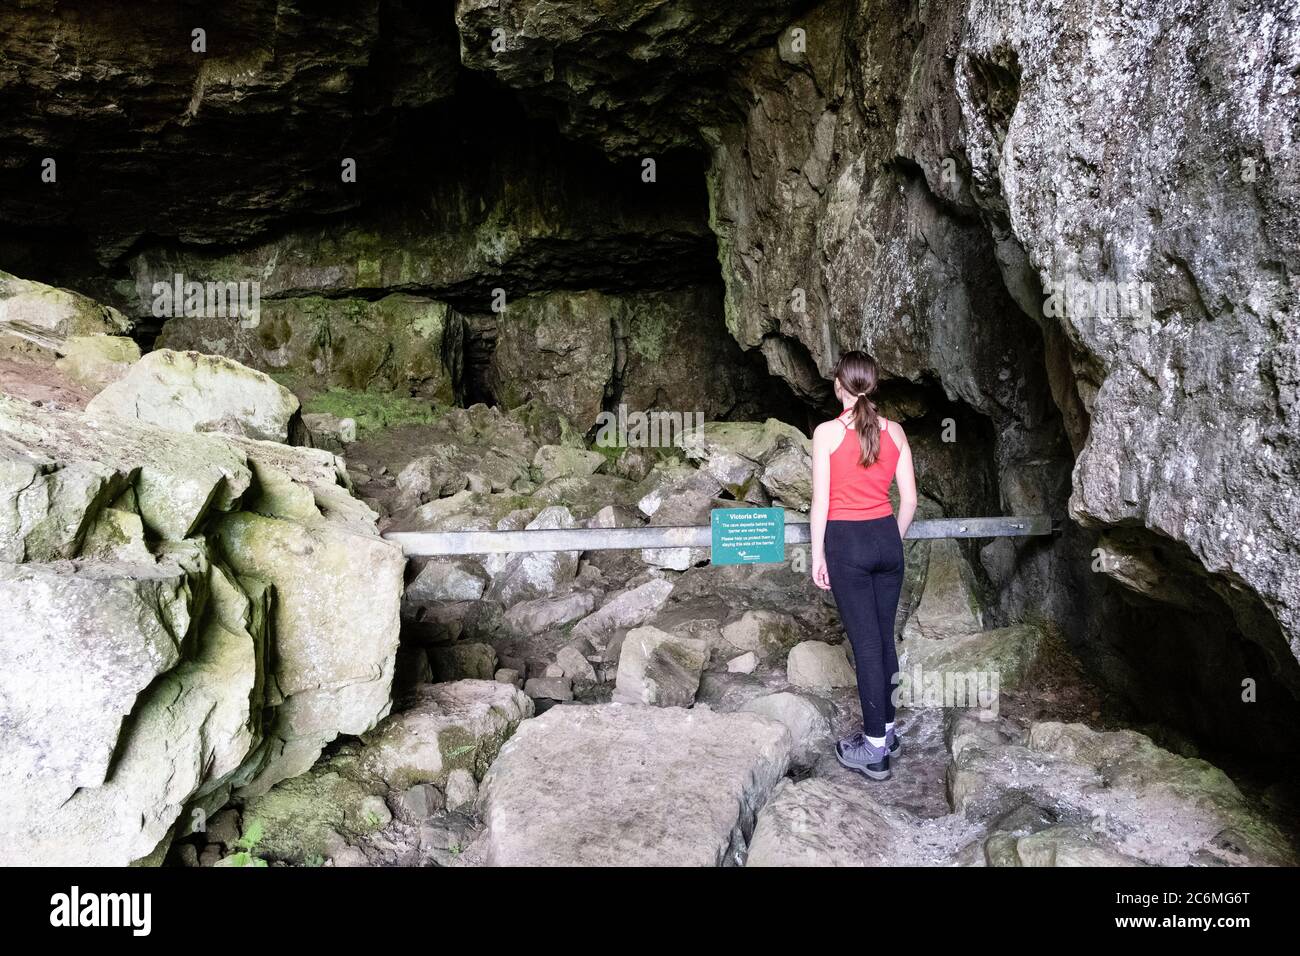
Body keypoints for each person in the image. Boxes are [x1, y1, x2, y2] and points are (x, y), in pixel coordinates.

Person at [810, 350, 917, 781]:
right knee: (885, 640)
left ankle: (874, 749)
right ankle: (887, 731)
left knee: (867, 646)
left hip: (847, 544)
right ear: (873, 387)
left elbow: (821, 501)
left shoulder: (826, 434)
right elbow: (908, 501)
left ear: (839, 384)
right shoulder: (896, 432)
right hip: (886, 541)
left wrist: (818, 554)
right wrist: (890, 537)